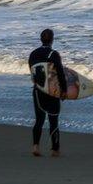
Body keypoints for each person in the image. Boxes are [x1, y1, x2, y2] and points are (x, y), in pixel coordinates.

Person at [28, 28, 67, 157]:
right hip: (52, 91)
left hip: (38, 90)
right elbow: (60, 74)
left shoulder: (33, 54)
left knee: (39, 119)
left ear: (41, 39)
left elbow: (34, 72)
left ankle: (35, 146)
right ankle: (54, 149)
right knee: (53, 120)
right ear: (52, 40)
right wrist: (64, 90)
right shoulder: (54, 54)